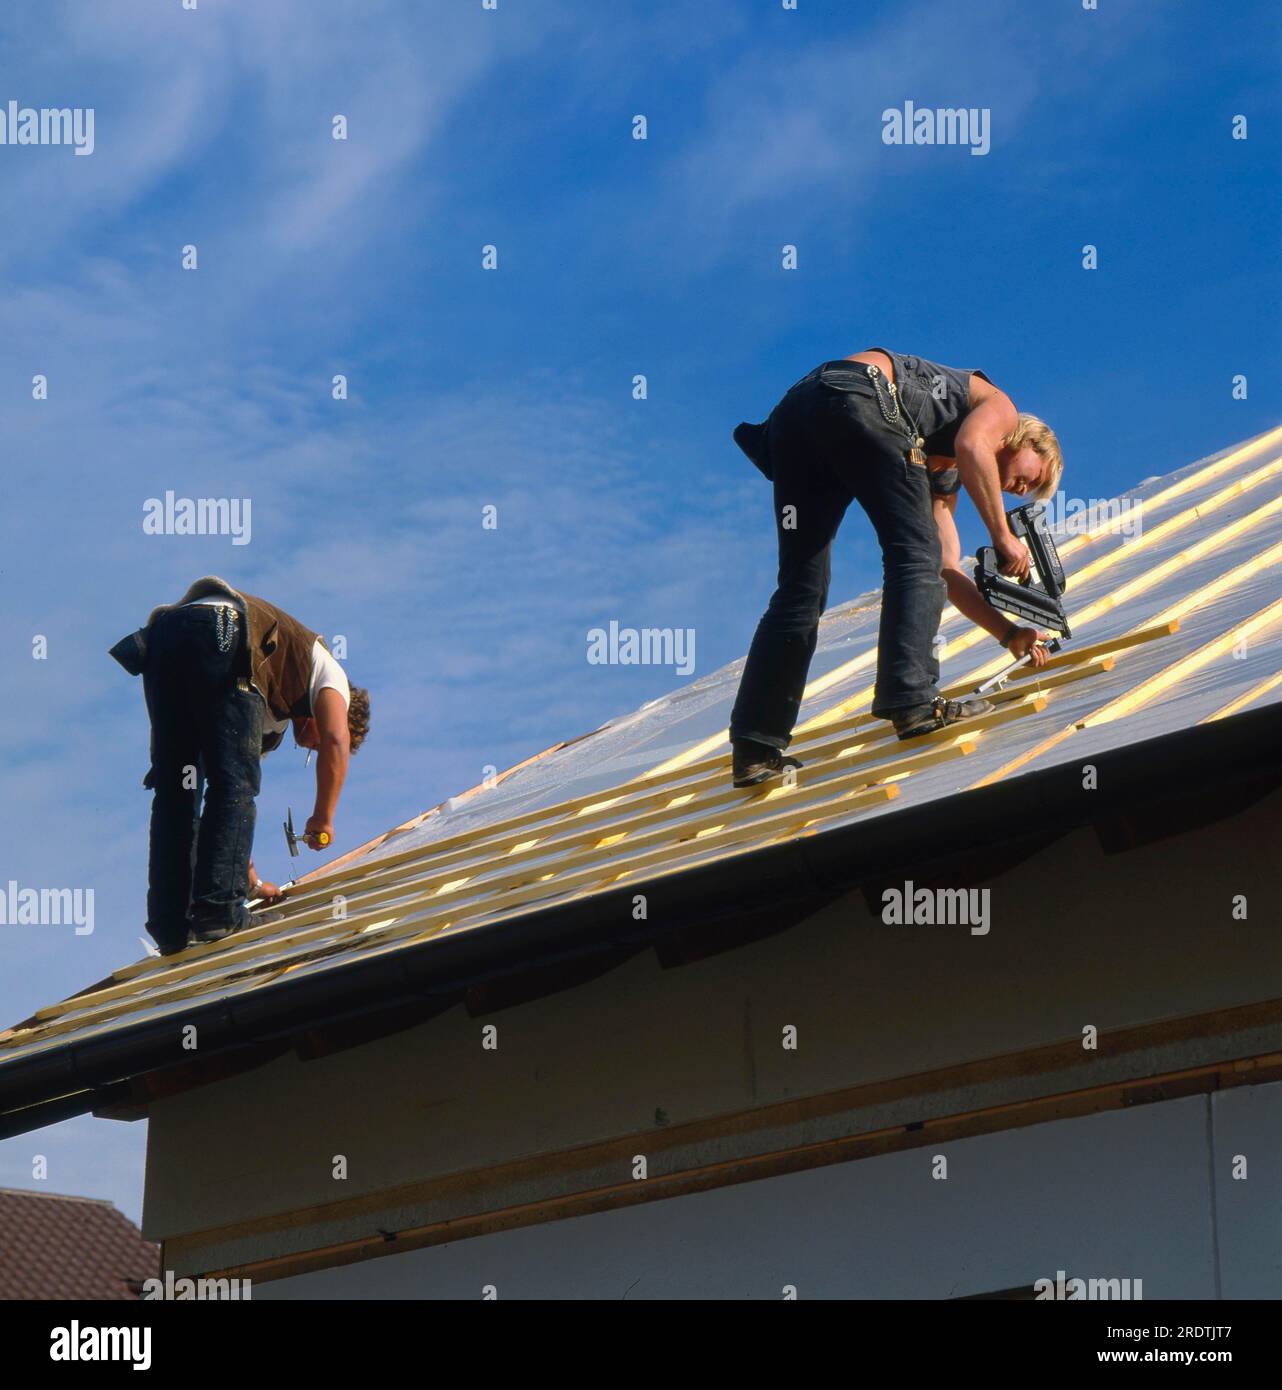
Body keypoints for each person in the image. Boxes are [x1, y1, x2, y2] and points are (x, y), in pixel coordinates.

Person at [729, 347, 1063, 787]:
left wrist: (1008, 633)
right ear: (1028, 441)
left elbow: (943, 569)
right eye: (1032, 477)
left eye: (1027, 493)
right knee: (911, 549)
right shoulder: (1001, 411)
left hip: (797, 421)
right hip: (853, 395)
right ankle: (914, 701)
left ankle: (756, 749)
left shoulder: (940, 476)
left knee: (801, 589)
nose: (1022, 490)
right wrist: (1002, 536)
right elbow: (971, 444)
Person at [110, 577, 370, 954]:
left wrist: (250, 883)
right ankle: (219, 914)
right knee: (231, 783)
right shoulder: (328, 673)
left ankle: (171, 925)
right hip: (220, 630)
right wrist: (323, 818)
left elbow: (228, 810)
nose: (310, 746)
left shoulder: (266, 719)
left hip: (165, 639)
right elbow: (335, 742)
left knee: (178, 789)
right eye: (313, 744)